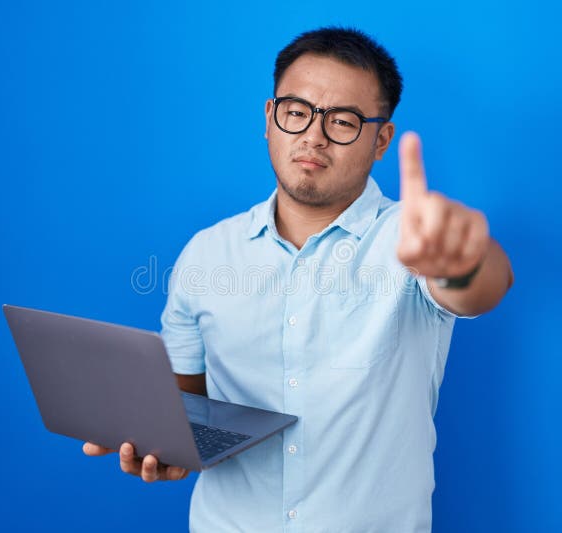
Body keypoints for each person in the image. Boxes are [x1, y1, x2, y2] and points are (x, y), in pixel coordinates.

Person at [84, 26, 513, 532]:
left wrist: (463, 264)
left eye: (344, 121)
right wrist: (167, 446)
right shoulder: (206, 253)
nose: (313, 135)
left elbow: (481, 286)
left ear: (381, 141)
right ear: (270, 119)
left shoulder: (413, 238)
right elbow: (184, 408)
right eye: (296, 111)